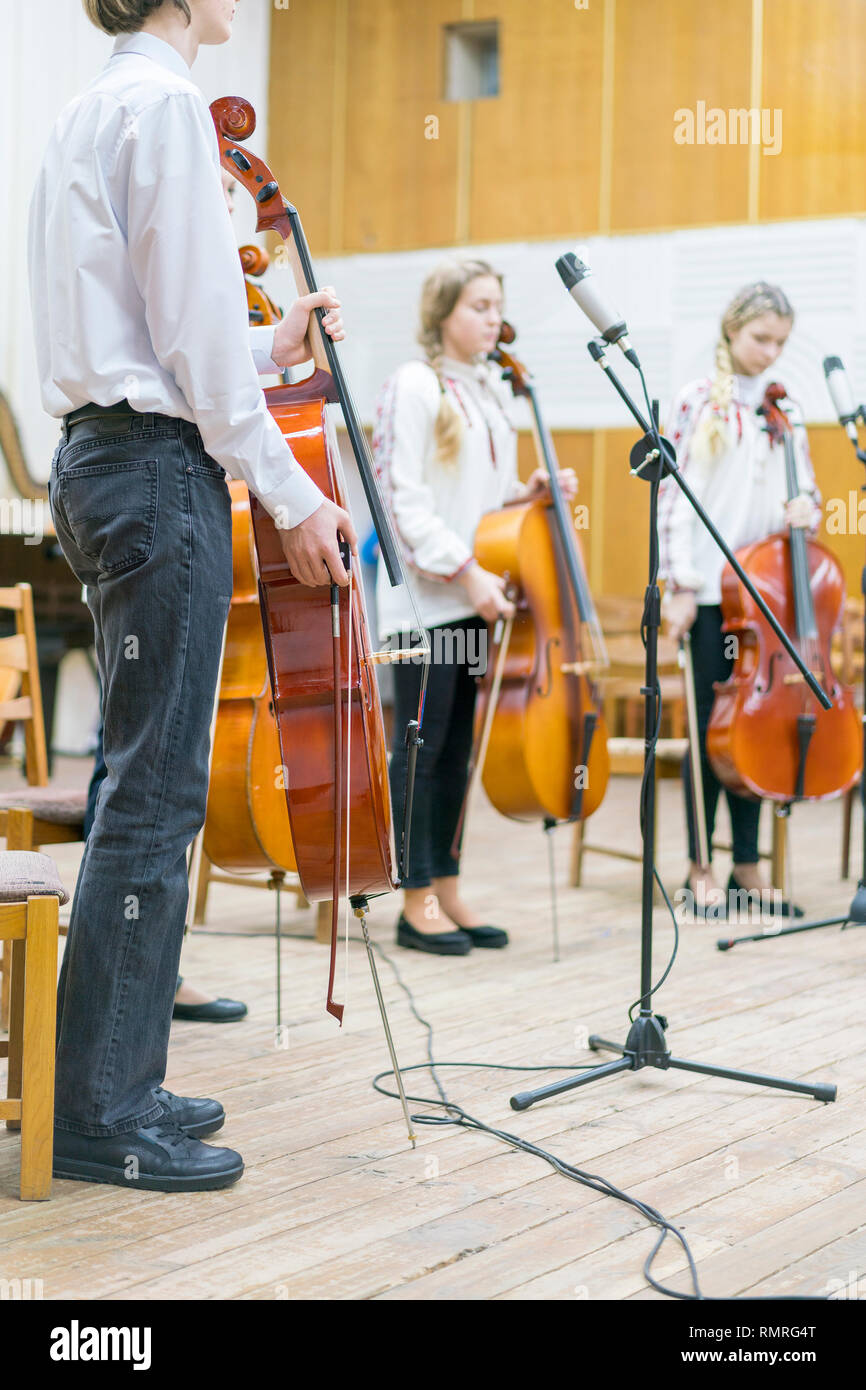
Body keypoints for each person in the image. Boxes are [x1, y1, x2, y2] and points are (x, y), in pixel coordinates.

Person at [28, 0, 355, 1192]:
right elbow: (190, 347)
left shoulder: (93, 106)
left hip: (110, 455)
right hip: (159, 472)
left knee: (139, 782)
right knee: (156, 796)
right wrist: (290, 495)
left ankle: (115, 1076)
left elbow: (176, 328)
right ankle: (98, 1111)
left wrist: (268, 355)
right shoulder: (163, 105)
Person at [373, 258, 575, 955]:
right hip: (426, 604)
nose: (493, 318)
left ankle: (447, 886)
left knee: (456, 750)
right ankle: (412, 897)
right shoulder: (414, 383)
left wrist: (530, 493)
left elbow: (479, 506)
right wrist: (467, 572)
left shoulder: (490, 393)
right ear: (442, 316)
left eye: (498, 306)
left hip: (474, 597)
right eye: (479, 306)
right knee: (422, 748)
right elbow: (402, 504)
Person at [660, 282, 821, 920]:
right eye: (760, 339)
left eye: (780, 343)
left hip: (763, 597)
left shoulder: (789, 410)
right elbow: (672, 498)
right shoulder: (698, 401)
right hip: (707, 593)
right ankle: (700, 863)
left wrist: (803, 504)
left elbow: (801, 489)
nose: (769, 353)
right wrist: (678, 584)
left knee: (755, 726)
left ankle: (746, 864)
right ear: (732, 331)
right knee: (708, 728)